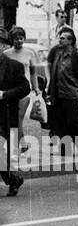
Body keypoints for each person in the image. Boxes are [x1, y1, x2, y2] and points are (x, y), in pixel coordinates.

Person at [47, 26, 78, 160]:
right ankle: (64, 149)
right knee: (59, 123)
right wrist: (50, 92)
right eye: (59, 38)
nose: (60, 40)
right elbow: (54, 74)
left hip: (72, 95)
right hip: (57, 94)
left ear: (70, 41)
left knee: (73, 122)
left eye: (63, 38)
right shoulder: (57, 54)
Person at [0, 27, 31, 195]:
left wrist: (5, 94)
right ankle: (13, 180)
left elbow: (25, 87)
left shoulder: (14, 66)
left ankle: (13, 179)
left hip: (5, 115)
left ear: (4, 47)